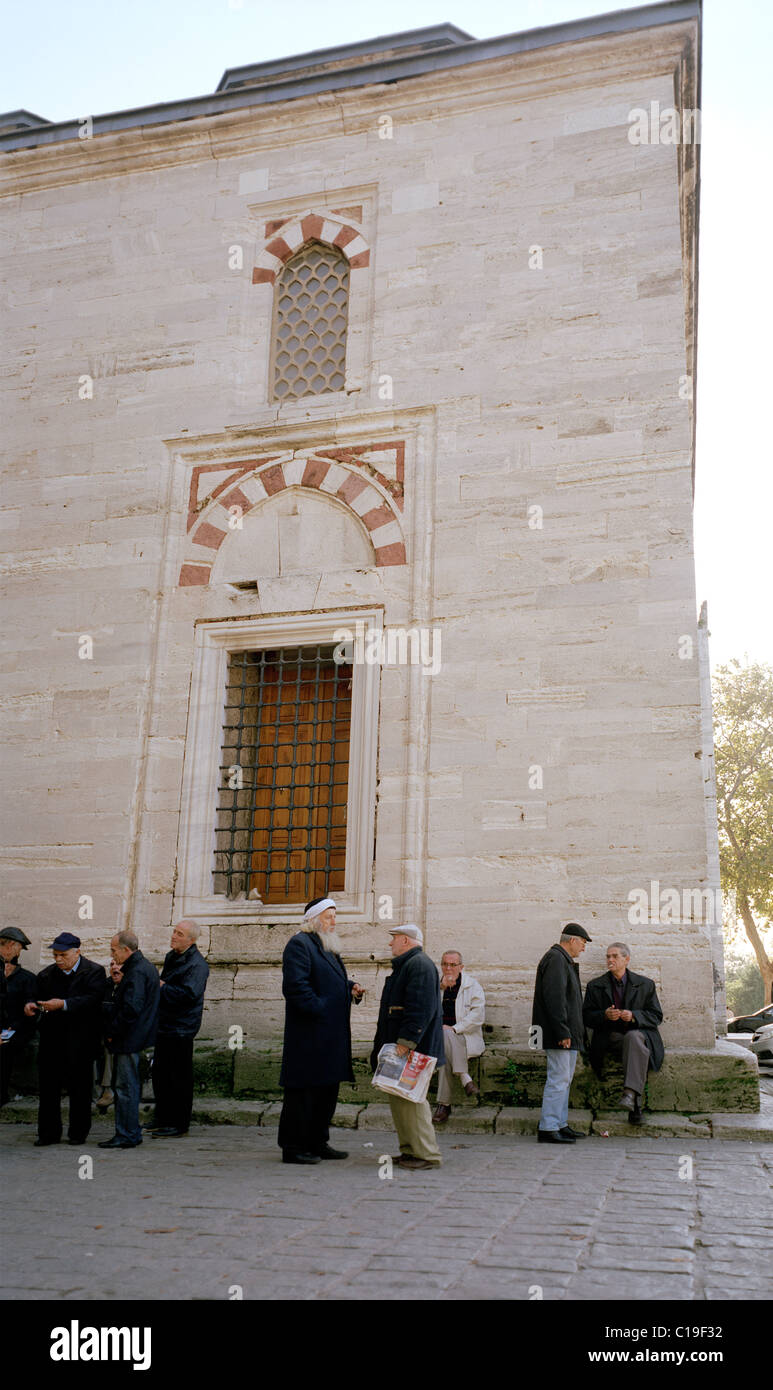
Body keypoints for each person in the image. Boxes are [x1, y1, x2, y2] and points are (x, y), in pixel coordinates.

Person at [278, 896, 364, 1165]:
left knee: (326, 1091)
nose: (333, 922)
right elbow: (296, 987)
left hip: (330, 1035)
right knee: (303, 1093)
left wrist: (349, 987)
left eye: (335, 917)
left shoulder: (327, 945)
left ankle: (318, 1141)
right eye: (329, 917)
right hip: (309, 1034)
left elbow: (328, 980)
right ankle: (294, 1147)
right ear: (313, 920)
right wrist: (321, 1009)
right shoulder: (299, 944)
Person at [371, 924, 444, 1170]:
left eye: (393, 939)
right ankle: (410, 1150)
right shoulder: (410, 965)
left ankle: (427, 1154)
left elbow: (420, 1008)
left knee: (413, 1101)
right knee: (401, 1100)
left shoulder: (419, 965)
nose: (390, 943)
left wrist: (406, 1042)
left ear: (405, 940)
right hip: (404, 1048)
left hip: (413, 1049)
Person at [23, 932, 106, 1146]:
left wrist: (64, 1004)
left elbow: (93, 1000)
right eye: (55, 955)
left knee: (80, 1089)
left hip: (81, 1041)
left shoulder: (94, 972)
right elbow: (35, 996)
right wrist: (30, 1004)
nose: (59, 959)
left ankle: (78, 1133)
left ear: (77, 952)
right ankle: (48, 1133)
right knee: (48, 1090)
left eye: (63, 955)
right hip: (52, 1040)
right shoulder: (46, 975)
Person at [583, 941, 664, 1125]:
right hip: (610, 1038)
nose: (610, 960)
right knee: (632, 1043)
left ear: (626, 959)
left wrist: (634, 1016)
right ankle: (635, 1106)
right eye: (608, 957)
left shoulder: (645, 984)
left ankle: (630, 1097)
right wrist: (604, 1015)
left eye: (615, 956)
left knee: (633, 1038)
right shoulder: (595, 985)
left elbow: (656, 1016)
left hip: (638, 1036)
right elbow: (586, 1017)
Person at [147, 920, 209, 1138]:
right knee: (160, 1073)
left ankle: (178, 1123)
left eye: (180, 934)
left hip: (182, 1027)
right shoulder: (171, 957)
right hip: (165, 1024)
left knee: (179, 1077)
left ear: (191, 940)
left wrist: (162, 987)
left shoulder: (197, 965)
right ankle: (162, 1118)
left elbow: (189, 995)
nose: (174, 936)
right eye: (174, 931)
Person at [99, 931, 160, 1150]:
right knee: (129, 1087)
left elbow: (131, 1009)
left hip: (130, 1040)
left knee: (125, 1088)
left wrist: (112, 1031)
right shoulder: (145, 967)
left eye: (114, 950)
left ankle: (127, 1134)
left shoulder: (136, 971)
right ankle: (129, 1132)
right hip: (136, 1038)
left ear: (126, 950)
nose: (112, 955)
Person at [531, 923, 591, 1145]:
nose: (583, 948)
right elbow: (554, 999)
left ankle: (560, 1124)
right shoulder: (556, 959)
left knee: (564, 1079)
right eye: (583, 943)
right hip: (559, 1033)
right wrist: (562, 1031)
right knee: (558, 1079)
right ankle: (548, 1127)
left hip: (566, 1032)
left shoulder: (561, 959)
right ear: (572, 940)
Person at [432, 949, 485, 1124]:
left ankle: (444, 1105)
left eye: (453, 965)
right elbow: (425, 1009)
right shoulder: (435, 986)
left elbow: (477, 1016)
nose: (448, 968)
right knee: (444, 1036)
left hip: (464, 1036)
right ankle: (465, 1078)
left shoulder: (472, 986)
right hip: (439, 1037)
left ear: (461, 967)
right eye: (445, 964)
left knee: (445, 1043)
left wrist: (455, 1029)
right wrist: (440, 987)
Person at [0, 927, 38, 1106]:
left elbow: (29, 1012)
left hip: (14, 1029)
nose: (18, 953)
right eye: (18, 948)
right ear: (10, 945)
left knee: (4, 1048)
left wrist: (8, 1031)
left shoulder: (27, 978)